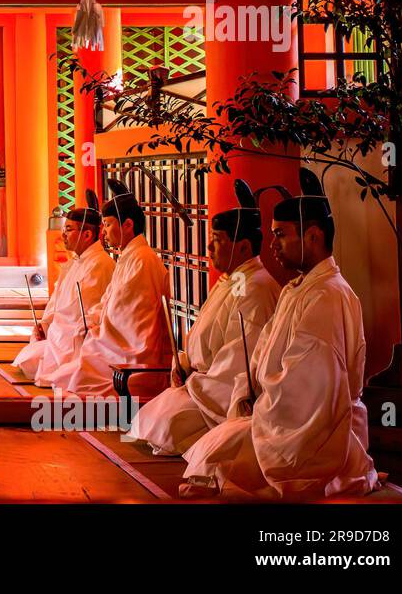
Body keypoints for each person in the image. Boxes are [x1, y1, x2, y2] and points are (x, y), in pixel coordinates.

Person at [181, 169, 379, 499]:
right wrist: (248, 389)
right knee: (210, 455)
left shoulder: (327, 296)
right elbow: (261, 352)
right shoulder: (299, 289)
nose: (272, 244)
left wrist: (262, 401)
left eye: (281, 234)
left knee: (222, 465)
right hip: (276, 407)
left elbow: (310, 385)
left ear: (313, 237)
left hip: (316, 429)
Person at [126, 180, 279, 455]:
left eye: (217, 240)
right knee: (150, 420)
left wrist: (196, 380)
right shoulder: (232, 280)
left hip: (221, 393)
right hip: (200, 381)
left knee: (169, 424)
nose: (209, 247)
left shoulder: (256, 288)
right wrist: (182, 362)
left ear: (243, 247)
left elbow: (240, 360)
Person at [64, 179, 172, 397]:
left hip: (134, 353)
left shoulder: (143, 260)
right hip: (115, 340)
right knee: (74, 372)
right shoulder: (129, 256)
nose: (103, 232)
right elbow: (109, 300)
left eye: (109, 224)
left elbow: (129, 315)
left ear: (128, 225)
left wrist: (98, 329)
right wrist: (93, 320)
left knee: (79, 375)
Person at [12, 190, 114, 388]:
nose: (63, 234)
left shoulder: (100, 264)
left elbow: (83, 313)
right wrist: (44, 325)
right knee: (27, 359)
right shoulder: (77, 261)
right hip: (59, 336)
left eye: (68, 229)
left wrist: (56, 331)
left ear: (87, 234)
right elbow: (58, 302)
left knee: (54, 374)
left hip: (75, 341)